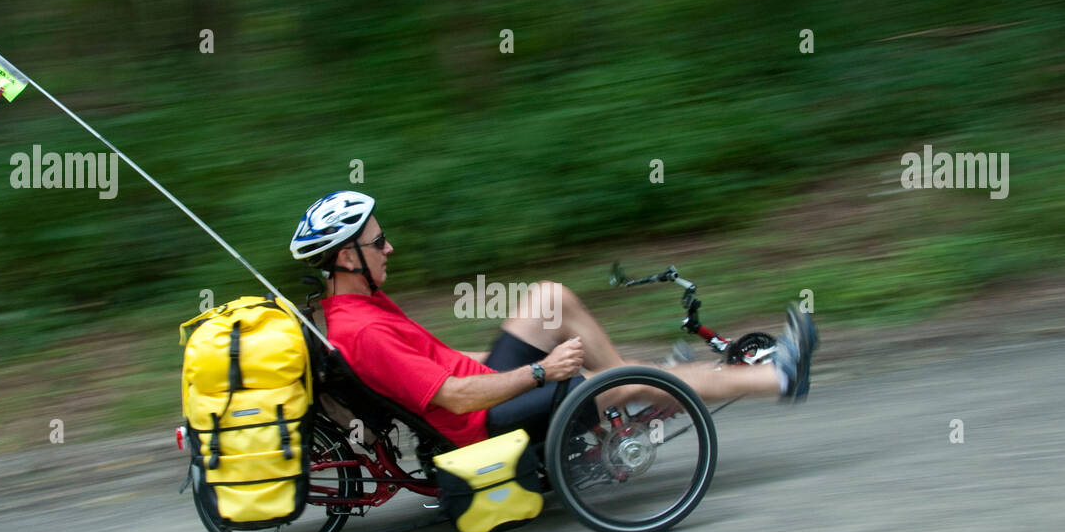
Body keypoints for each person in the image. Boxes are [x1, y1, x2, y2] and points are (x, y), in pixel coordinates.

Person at [290, 191, 816, 449]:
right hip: (481, 423)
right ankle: (777, 378)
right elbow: (453, 398)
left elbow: (435, 364)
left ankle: (628, 395)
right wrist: (542, 371)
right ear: (347, 257)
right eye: (378, 242)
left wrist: (518, 366)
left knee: (550, 299)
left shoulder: (359, 307)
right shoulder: (363, 330)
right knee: (624, 378)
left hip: (486, 389)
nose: (389, 248)